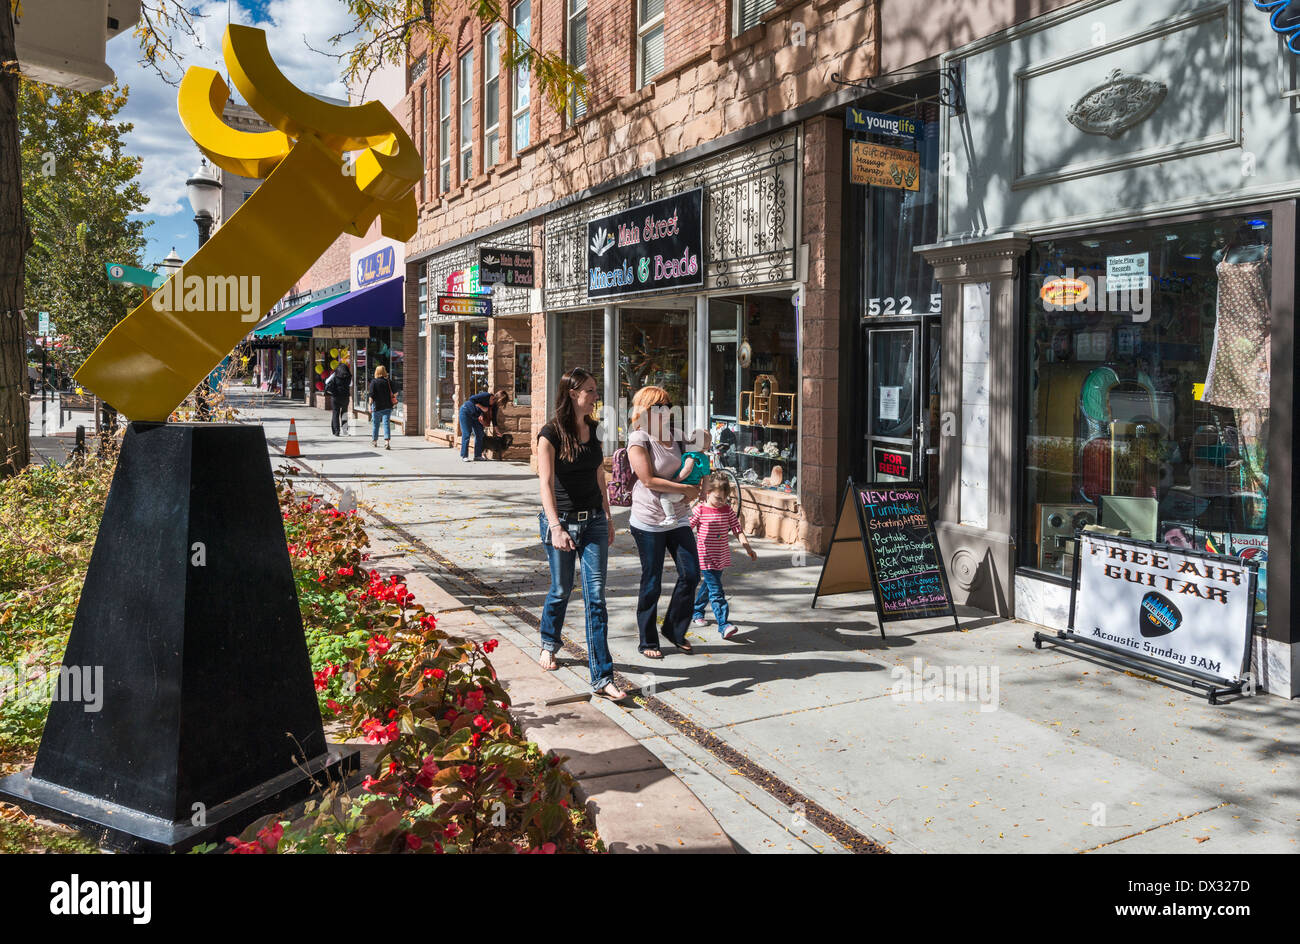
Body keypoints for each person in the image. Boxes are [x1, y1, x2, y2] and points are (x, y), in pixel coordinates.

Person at [535, 368, 625, 701]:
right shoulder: (550, 434)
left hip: (594, 523)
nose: (596, 396)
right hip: (562, 522)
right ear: (573, 394)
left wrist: (609, 516)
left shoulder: (596, 429)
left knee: (596, 598)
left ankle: (602, 677)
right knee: (561, 589)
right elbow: (544, 483)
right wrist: (555, 526)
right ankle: (548, 642)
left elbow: (599, 475)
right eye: (591, 390)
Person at [626, 386, 701, 660]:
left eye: (668, 405)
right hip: (649, 520)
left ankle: (674, 629)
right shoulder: (639, 438)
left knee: (691, 574)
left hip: (678, 517)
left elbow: (695, 463)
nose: (666, 410)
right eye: (659, 406)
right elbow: (647, 480)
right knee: (652, 580)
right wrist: (685, 491)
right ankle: (648, 639)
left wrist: (698, 481)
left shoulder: (678, 437)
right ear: (646, 411)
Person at [690, 474, 756, 639]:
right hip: (705, 556)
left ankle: (697, 611)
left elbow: (737, 529)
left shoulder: (727, 510)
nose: (722, 502)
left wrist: (747, 547)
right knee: (717, 591)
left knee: (710, 585)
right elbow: (686, 527)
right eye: (718, 498)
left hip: (720, 555)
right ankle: (723, 624)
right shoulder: (700, 510)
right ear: (707, 493)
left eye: (725, 499)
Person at [655, 428, 712, 526]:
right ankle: (687, 510)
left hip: (683, 485)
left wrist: (676, 480)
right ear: (707, 447)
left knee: (664, 498)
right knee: (684, 499)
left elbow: (687, 470)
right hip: (693, 486)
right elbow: (706, 478)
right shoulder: (705, 460)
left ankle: (671, 517)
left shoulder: (691, 455)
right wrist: (703, 493)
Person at [458, 388, 509, 462]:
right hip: (466, 412)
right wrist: (483, 408)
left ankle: (477, 455)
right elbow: (471, 399)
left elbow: (494, 419)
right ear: (498, 398)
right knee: (466, 434)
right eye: (501, 402)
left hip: (476, 416)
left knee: (480, 434)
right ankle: (464, 455)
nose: (500, 405)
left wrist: (497, 431)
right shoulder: (486, 395)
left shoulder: (495, 406)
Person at [368, 364, 396, 449]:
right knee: (386, 424)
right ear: (384, 372)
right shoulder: (388, 381)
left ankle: (374, 441)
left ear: (376, 372)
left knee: (375, 425)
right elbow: (395, 393)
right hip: (387, 406)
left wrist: (369, 406)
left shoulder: (374, 382)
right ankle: (387, 442)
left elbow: (371, 396)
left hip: (377, 407)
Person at [328, 353, 351, 436]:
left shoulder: (335, 376)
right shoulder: (348, 377)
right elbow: (351, 384)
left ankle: (336, 431)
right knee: (344, 413)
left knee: (335, 413)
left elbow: (327, 382)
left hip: (335, 397)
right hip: (345, 397)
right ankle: (345, 431)